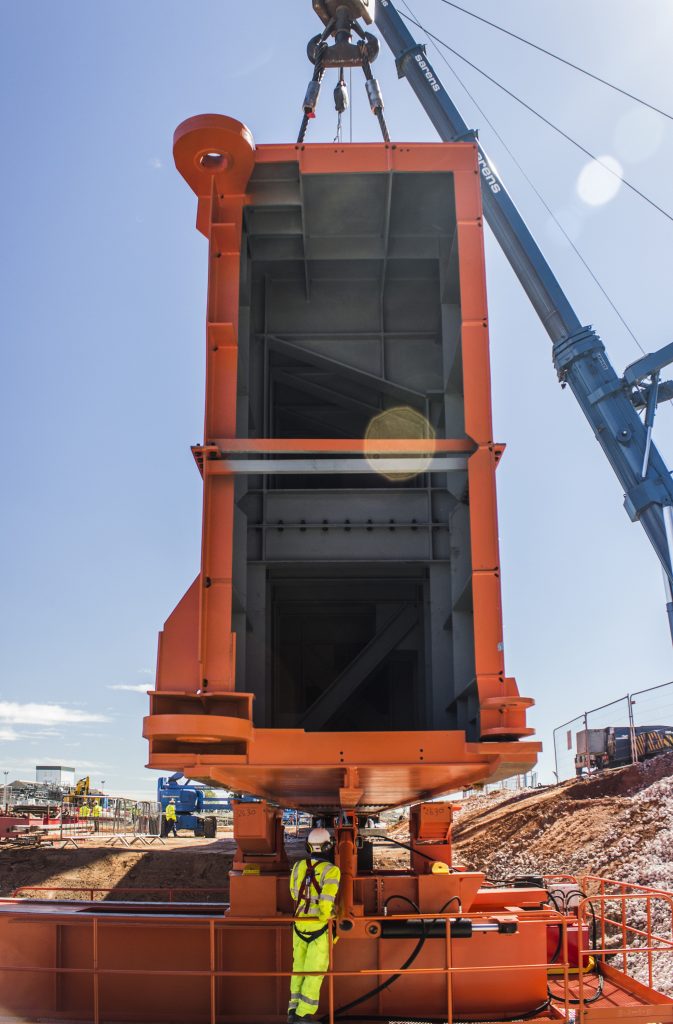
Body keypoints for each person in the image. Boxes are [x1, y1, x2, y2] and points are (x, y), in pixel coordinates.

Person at [288, 827, 341, 1023]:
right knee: (314, 972)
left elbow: (293, 893)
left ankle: (293, 1010)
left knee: (299, 969)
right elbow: (326, 903)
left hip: (299, 923)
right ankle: (304, 1015)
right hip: (319, 928)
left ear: (308, 846)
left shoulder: (297, 866)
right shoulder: (332, 870)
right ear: (328, 846)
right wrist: (329, 918)